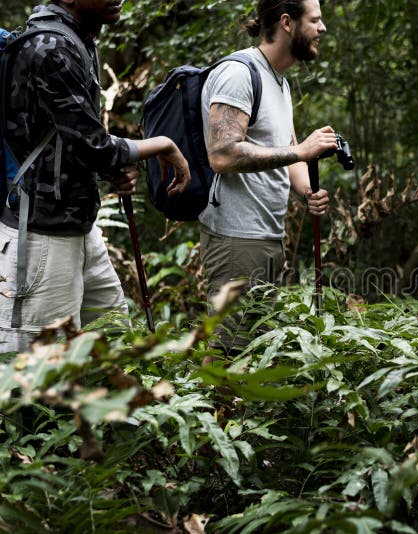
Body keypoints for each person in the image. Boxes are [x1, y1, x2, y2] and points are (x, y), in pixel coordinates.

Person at [0, 0, 190, 353]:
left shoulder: (76, 38)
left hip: (78, 231)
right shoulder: (51, 48)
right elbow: (96, 147)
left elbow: (69, 141)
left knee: (114, 346)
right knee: (42, 376)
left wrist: (110, 172)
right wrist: (161, 145)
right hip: (41, 237)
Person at [200, 0, 337, 354]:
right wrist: (301, 152)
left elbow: (287, 149)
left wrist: (307, 189)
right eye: (316, 20)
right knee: (231, 353)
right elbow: (222, 153)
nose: (322, 29)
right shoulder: (239, 74)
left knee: (257, 352)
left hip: (268, 237)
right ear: (288, 22)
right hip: (236, 240)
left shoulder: (279, 81)